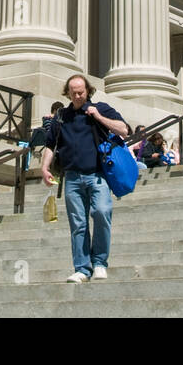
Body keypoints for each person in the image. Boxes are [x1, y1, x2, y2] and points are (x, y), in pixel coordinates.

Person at [40, 74, 130, 283]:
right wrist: (44, 167)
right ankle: (82, 267)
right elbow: (50, 144)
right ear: (68, 93)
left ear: (88, 91)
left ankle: (99, 262)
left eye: (81, 92)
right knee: (78, 224)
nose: (78, 95)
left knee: (101, 212)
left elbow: (124, 130)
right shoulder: (61, 116)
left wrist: (98, 116)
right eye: (74, 92)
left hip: (97, 175)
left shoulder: (101, 108)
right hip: (71, 177)